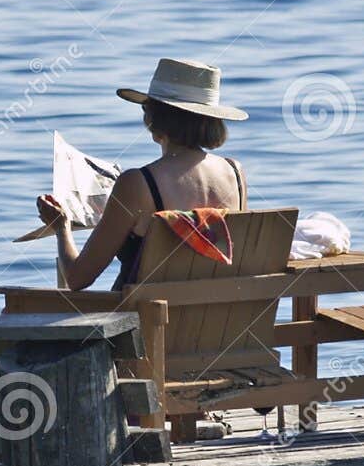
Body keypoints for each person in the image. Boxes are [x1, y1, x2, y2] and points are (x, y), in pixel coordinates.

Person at [37, 58, 248, 291]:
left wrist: (61, 228)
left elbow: (77, 278)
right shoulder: (234, 173)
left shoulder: (137, 184)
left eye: (146, 107)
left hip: (143, 324)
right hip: (220, 321)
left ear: (156, 117)